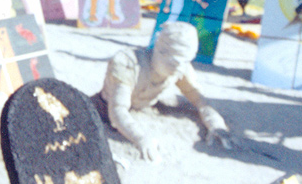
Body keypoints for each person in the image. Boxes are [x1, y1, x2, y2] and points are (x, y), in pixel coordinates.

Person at [94, 22, 232, 163]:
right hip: (103, 108)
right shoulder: (128, 64)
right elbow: (117, 110)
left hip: (142, 108)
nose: (178, 68)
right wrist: (140, 138)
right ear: (160, 50)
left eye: (185, 61)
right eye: (174, 62)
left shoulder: (180, 67)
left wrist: (216, 124)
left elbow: (200, 99)